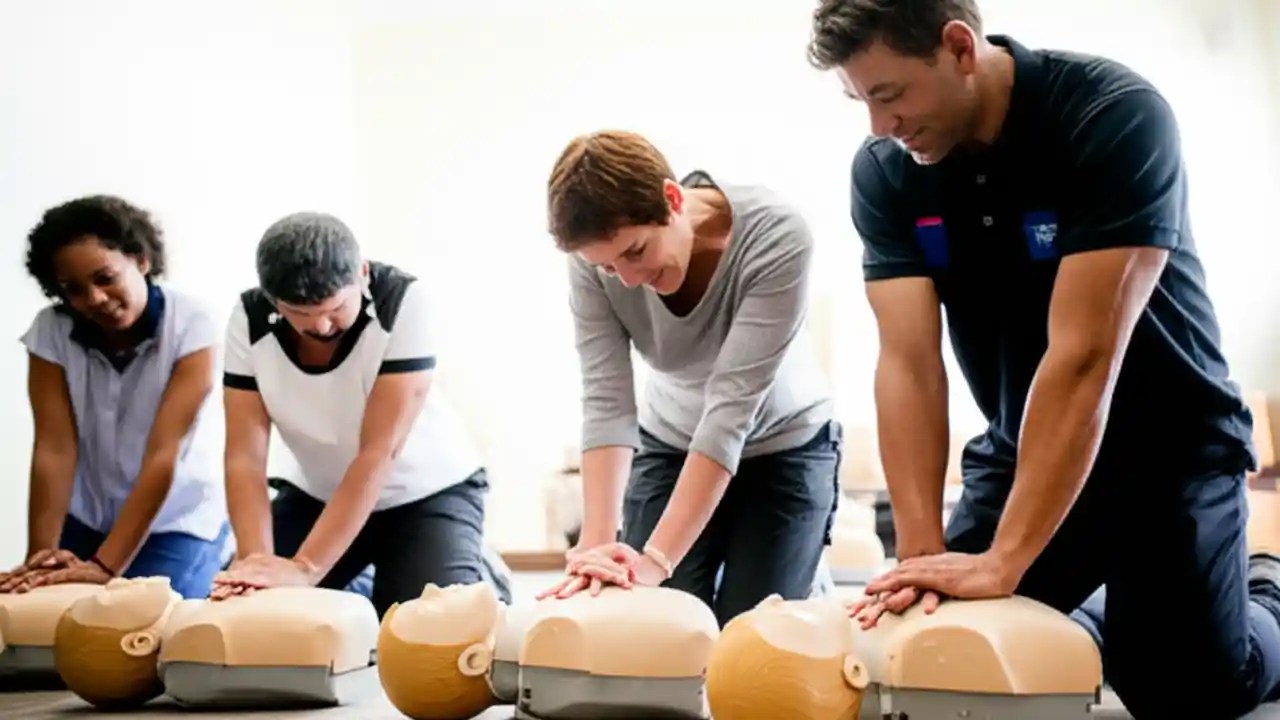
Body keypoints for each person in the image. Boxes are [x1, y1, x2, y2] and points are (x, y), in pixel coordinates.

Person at [805, 1, 1280, 717]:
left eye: (890, 94)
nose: (879, 126)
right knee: (943, 646)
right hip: (1022, 449)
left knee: (1188, 692)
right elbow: (908, 365)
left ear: (959, 48)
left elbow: (1085, 355)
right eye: (859, 101)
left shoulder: (1111, 115)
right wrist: (919, 554)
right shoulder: (888, 172)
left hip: (1168, 449)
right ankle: (1106, 618)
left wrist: (1006, 562)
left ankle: (1265, 585)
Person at [536, 130, 841, 627]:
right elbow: (607, 399)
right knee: (658, 622)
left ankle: (802, 574)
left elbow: (729, 411)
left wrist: (656, 560)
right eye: (608, 267)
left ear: (672, 199)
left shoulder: (777, 234)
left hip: (783, 446)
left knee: (750, 632)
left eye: (636, 251)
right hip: (672, 439)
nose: (627, 279)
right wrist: (597, 546)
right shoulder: (595, 261)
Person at [211, 211, 509, 617]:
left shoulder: (402, 300)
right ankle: (360, 582)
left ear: (362, 275)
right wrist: (256, 565)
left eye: (334, 308)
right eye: (300, 314)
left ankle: (476, 570)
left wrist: (305, 568)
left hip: (424, 492)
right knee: (249, 612)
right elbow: (245, 456)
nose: (321, 326)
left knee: (424, 626)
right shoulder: (250, 318)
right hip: (320, 494)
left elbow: (379, 451)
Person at [0, 195, 229, 599]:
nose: (95, 299)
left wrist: (105, 567)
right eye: (73, 289)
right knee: (45, 613)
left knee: (139, 620)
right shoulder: (50, 331)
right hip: (88, 518)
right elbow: (54, 449)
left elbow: (163, 455)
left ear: (141, 260)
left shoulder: (193, 325)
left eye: (105, 278)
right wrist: (40, 558)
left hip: (176, 521)